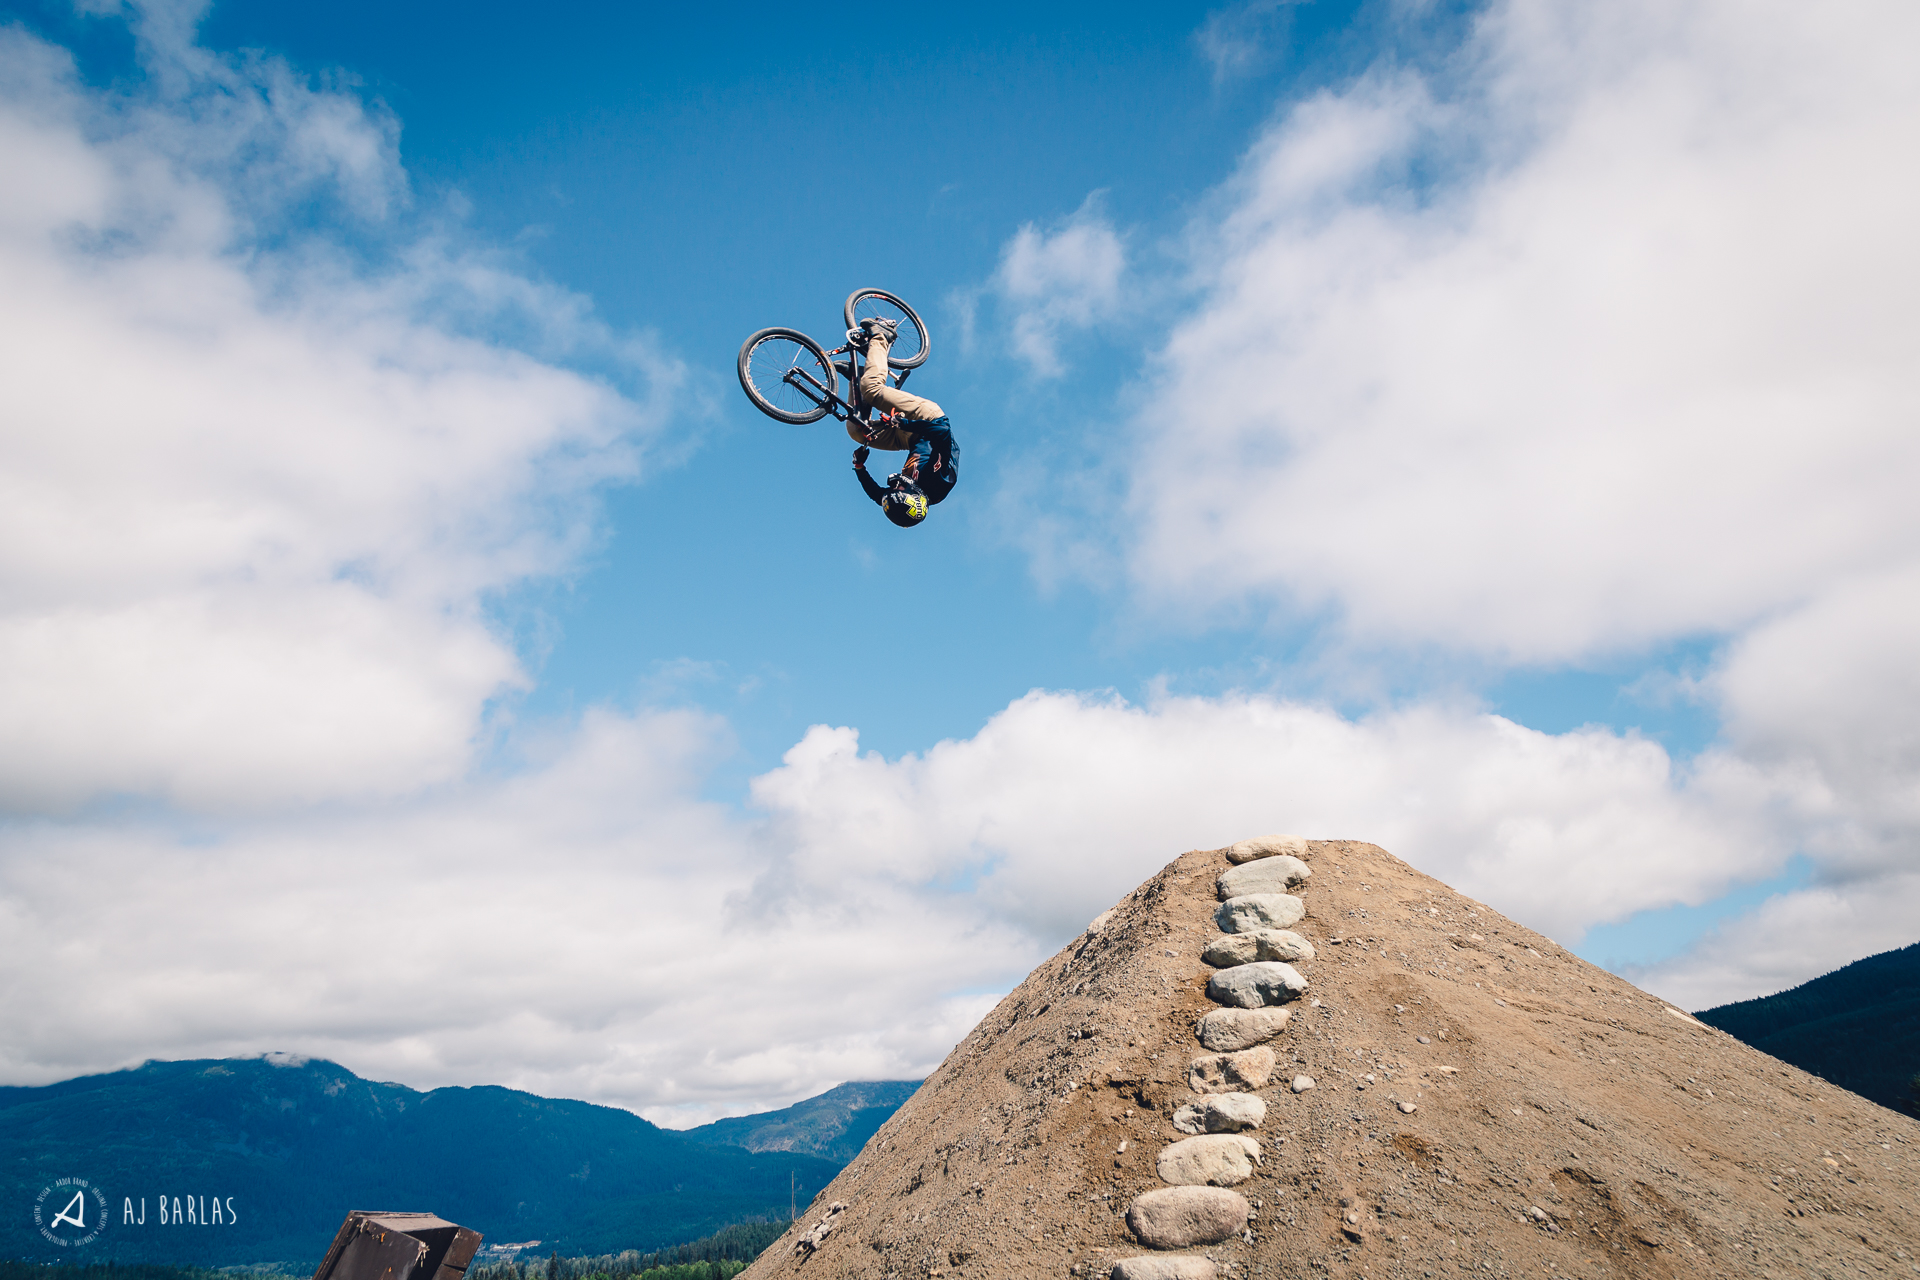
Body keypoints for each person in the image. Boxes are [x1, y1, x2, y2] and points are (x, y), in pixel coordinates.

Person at [845, 318, 959, 528]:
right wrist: (903, 423)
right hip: (928, 420)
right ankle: (883, 334)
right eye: (898, 490)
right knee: (873, 391)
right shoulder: (937, 481)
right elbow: (942, 433)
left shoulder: (901, 497)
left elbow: (877, 494)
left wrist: (860, 467)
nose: (895, 485)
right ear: (913, 495)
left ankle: (858, 376)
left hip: (910, 438)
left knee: (857, 430)